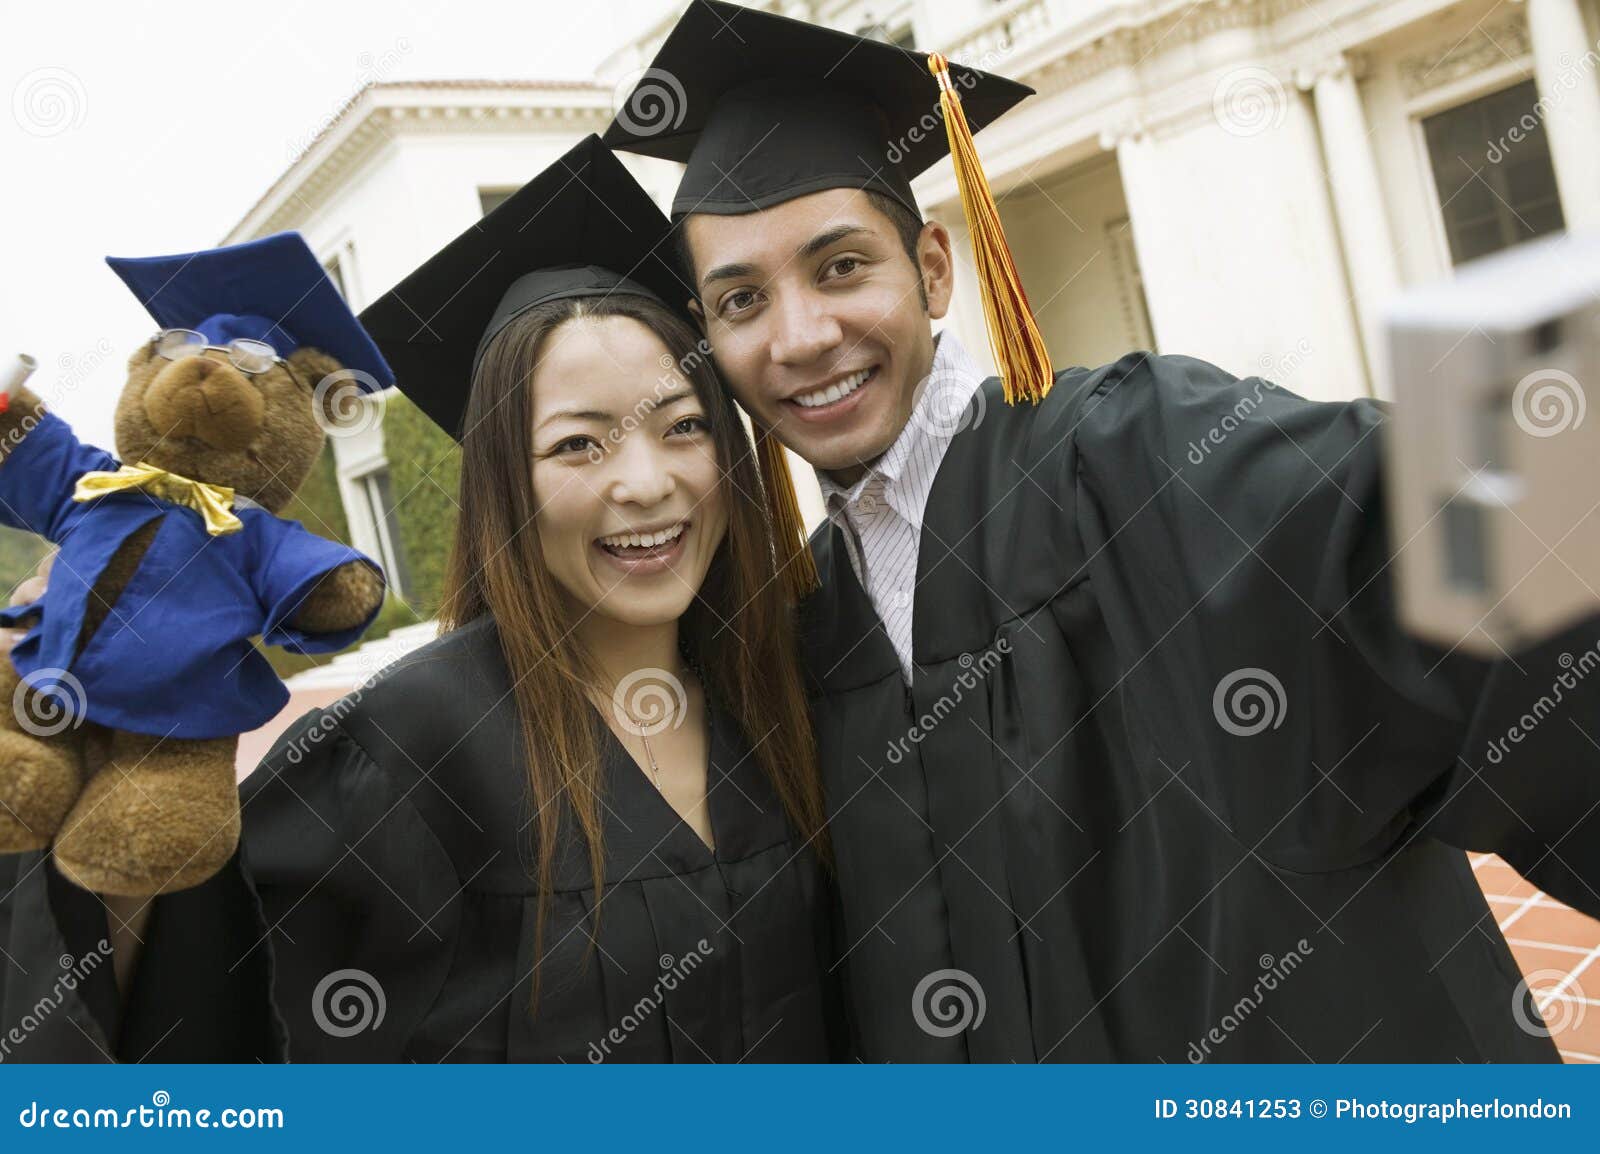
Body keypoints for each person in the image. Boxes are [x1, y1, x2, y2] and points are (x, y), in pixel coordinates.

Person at [607, 2, 1600, 1061]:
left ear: (933, 268)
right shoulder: (804, 622)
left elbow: (1467, 521)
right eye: (741, 299)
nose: (801, 335)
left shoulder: (1135, 452)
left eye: (841, 266)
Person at [0, 135, 842, 1062]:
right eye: (577, 444)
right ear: (503, 485)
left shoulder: (796, 692)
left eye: (683, 426)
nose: (645, 483)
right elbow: (197, 1014)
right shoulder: (401, 747)